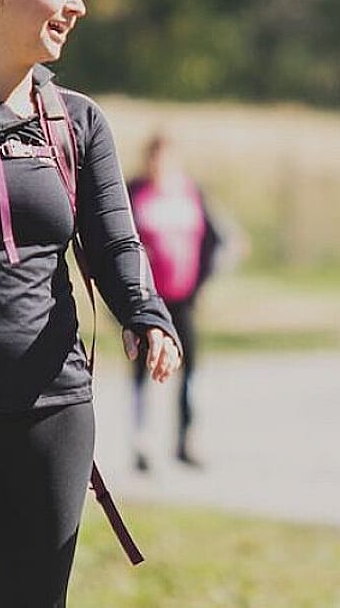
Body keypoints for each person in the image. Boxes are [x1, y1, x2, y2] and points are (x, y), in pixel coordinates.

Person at [0, 0, 182, 605]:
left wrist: (146, 312)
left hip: (50, 412)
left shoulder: (76, 121)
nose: (77, 3)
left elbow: (115, 239)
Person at [127, 132, 223, 471]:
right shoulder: (134, 193)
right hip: (147, 303)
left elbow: (215, 240)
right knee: (142, 371)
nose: (159, 164)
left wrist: (200, 285)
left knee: (190, 370)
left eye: (165, 157)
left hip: (183, 301)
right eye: (154, 157)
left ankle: (186, 439)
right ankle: (142, 443)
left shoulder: (190, 193)